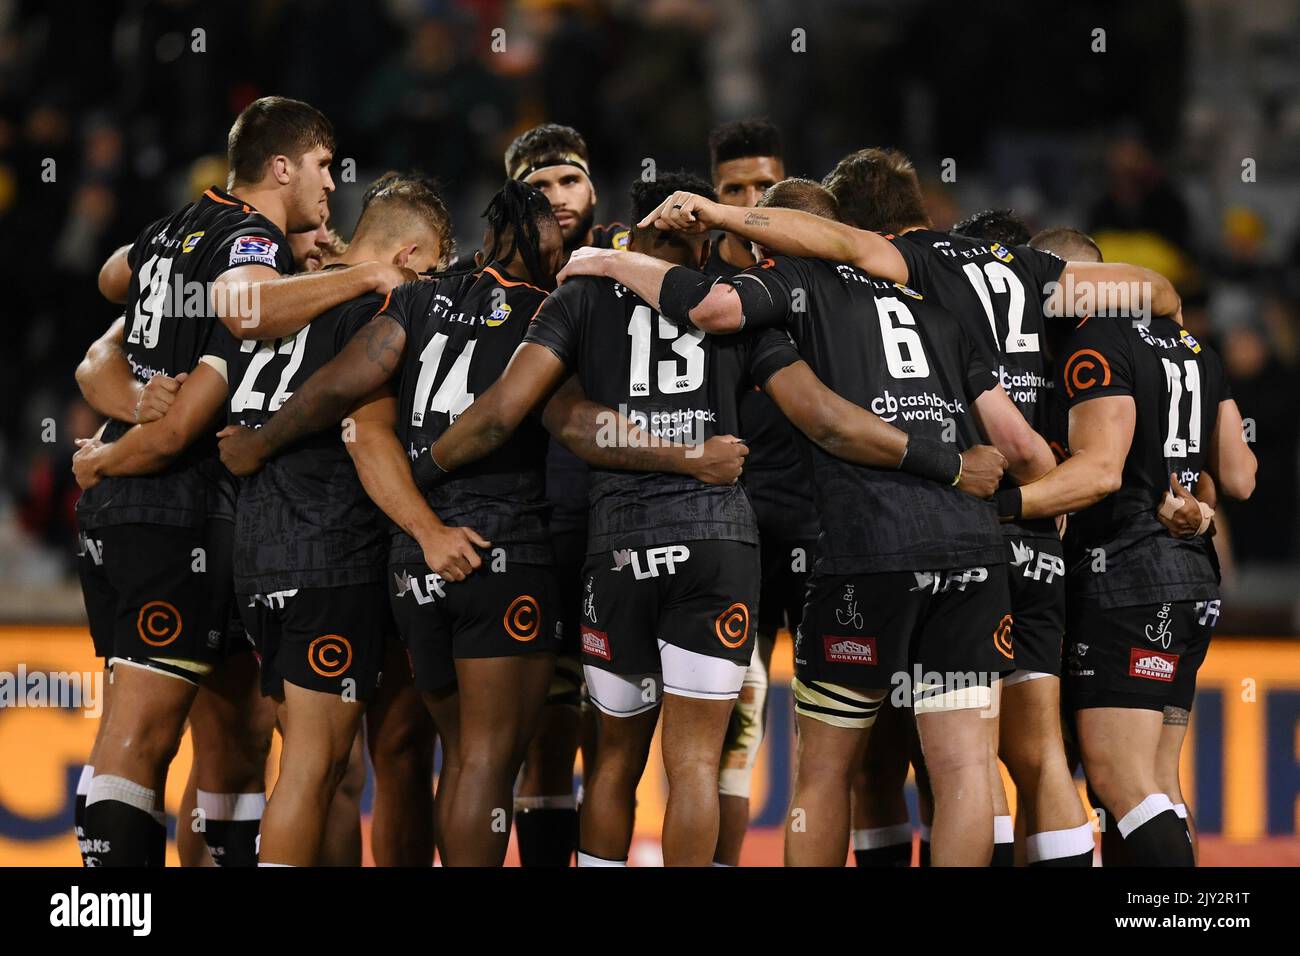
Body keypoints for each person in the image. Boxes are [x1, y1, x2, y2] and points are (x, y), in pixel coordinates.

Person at [428, 172, 1009, 866]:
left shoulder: (580, 295)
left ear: (632, 229)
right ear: (704, 237)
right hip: (721, 543)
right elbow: (819, 414)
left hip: (619, 545)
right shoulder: (753, 309)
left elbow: (539, 416)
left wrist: (416, 481)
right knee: (698, 765)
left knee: (613, 761)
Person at [73, 95, 411, 867]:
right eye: (324, 168)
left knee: (235, 737)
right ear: (283, 166)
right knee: (141, 732)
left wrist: (129, 402)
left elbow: (110, 280)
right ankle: (107, 917)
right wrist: (360, 275)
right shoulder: (249, 237)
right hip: (173, 504)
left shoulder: (169, 232)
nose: (332, 188)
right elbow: (244, 305)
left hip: (180, 514)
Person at [1009, 282, 1256, 865]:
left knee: (1119, 778)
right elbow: (1240, 477)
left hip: (1128, 578)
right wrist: (1197, 507)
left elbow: (1101, 472)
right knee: (1159, 784)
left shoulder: (1093, 342)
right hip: (1193, 578)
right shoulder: (1195, 349)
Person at [702, 120, 813, 865]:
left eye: (763, 188)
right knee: (732, 734)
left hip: (818, 532)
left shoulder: (830, 276)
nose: (749, 203)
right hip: (727, 534)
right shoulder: (691, 286)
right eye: (733, 190)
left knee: (831, 733)